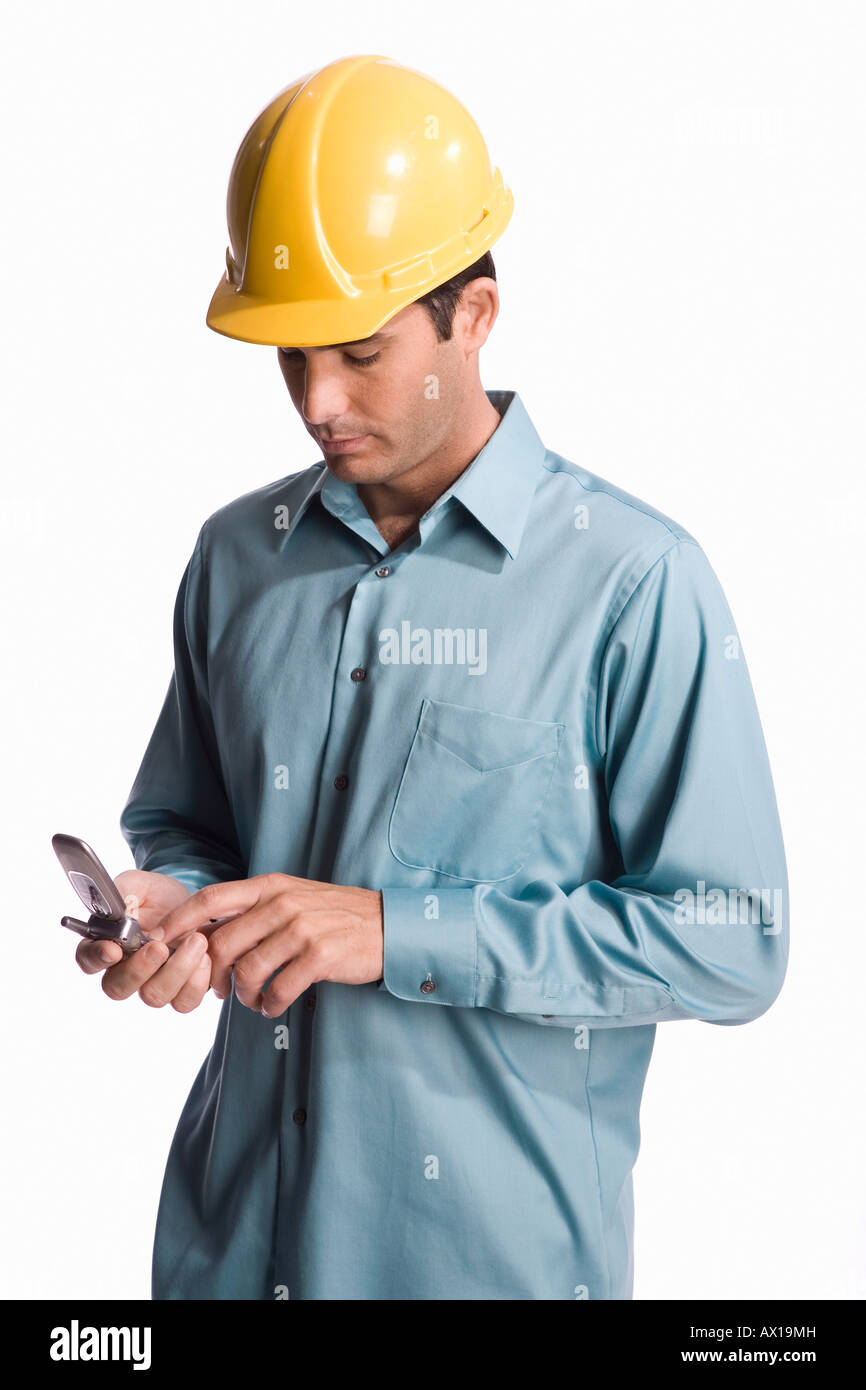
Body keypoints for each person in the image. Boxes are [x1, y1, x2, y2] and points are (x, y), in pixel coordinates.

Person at [75, 54, 789, 1300]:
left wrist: (395, 930)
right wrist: (173, 908)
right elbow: (186, 821)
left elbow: (730, 941)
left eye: (355, 351)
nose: (314, 399)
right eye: (289, 354)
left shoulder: (632, 582)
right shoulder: (237, 557)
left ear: (474, 314)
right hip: (227, 1257)